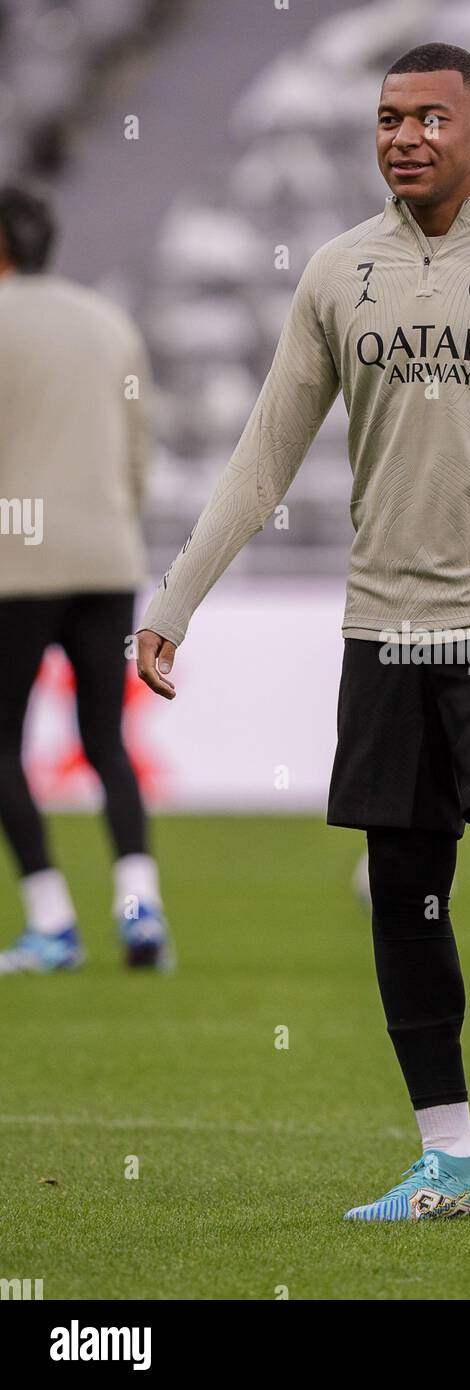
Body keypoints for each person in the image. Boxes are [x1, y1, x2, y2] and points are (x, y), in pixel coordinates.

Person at [136, 43, 470, 1220]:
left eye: (431, 118)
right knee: (402, 884)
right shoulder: (339, 271)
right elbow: (266, 450)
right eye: (387, 118)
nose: (404, 137)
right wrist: (176, 598)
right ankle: (447, 1161)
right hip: (384, 619)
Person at [0, 185, 172, 975]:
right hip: (107, 555)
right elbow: (139, 452)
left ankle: (51, 919)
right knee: (106, 738)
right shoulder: (106, 322)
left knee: (3, 741)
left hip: (18, 558)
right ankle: (141, 913)